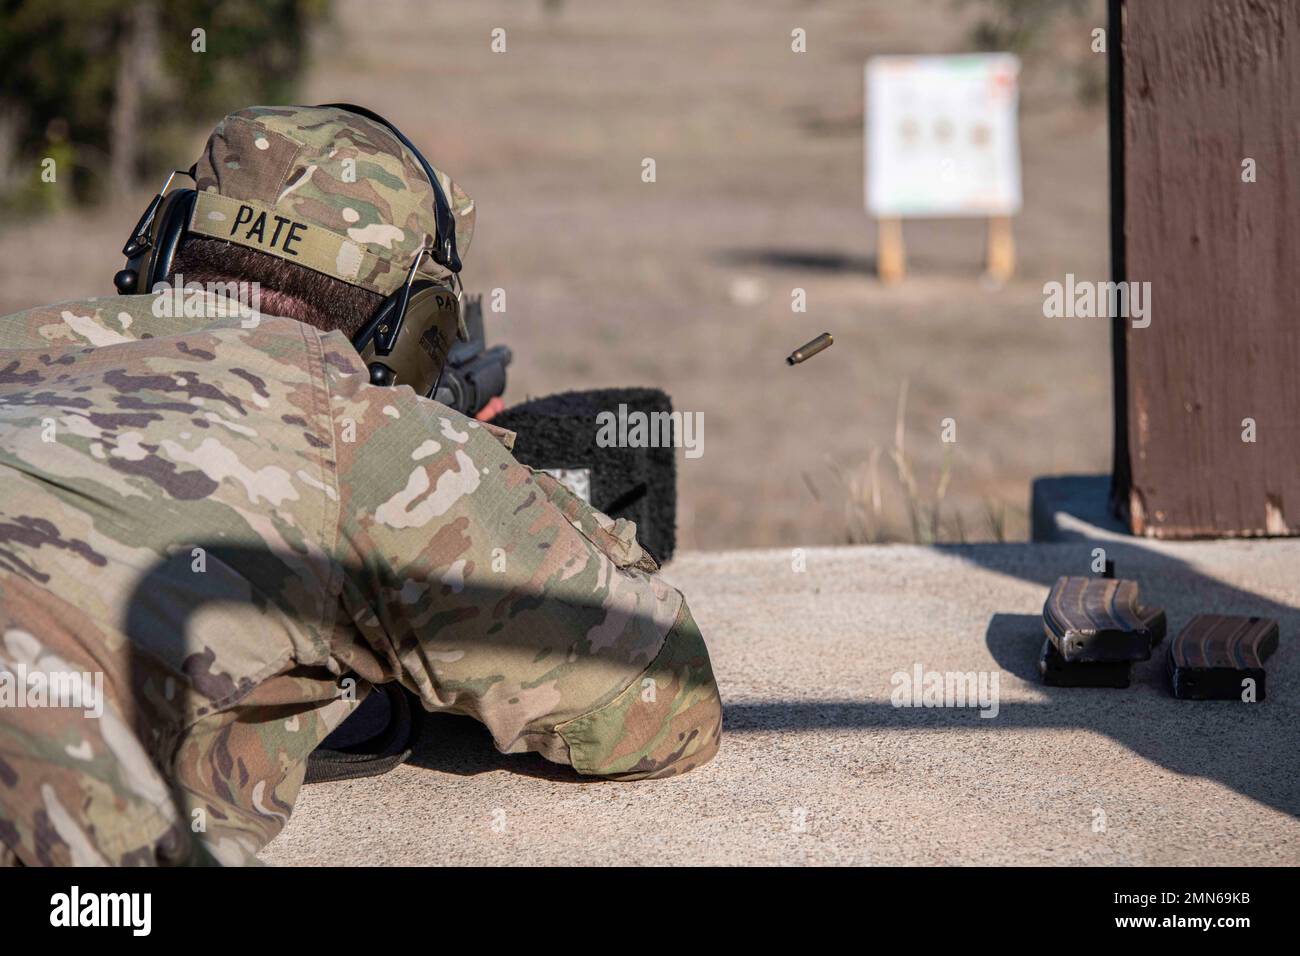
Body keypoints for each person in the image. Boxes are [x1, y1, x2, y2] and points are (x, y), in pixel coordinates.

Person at [0, 105, 721, 866]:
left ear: (162, 244)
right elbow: (660, 703)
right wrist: (483, 469)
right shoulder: (357, 430)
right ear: (419, 329)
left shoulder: (19, 341)